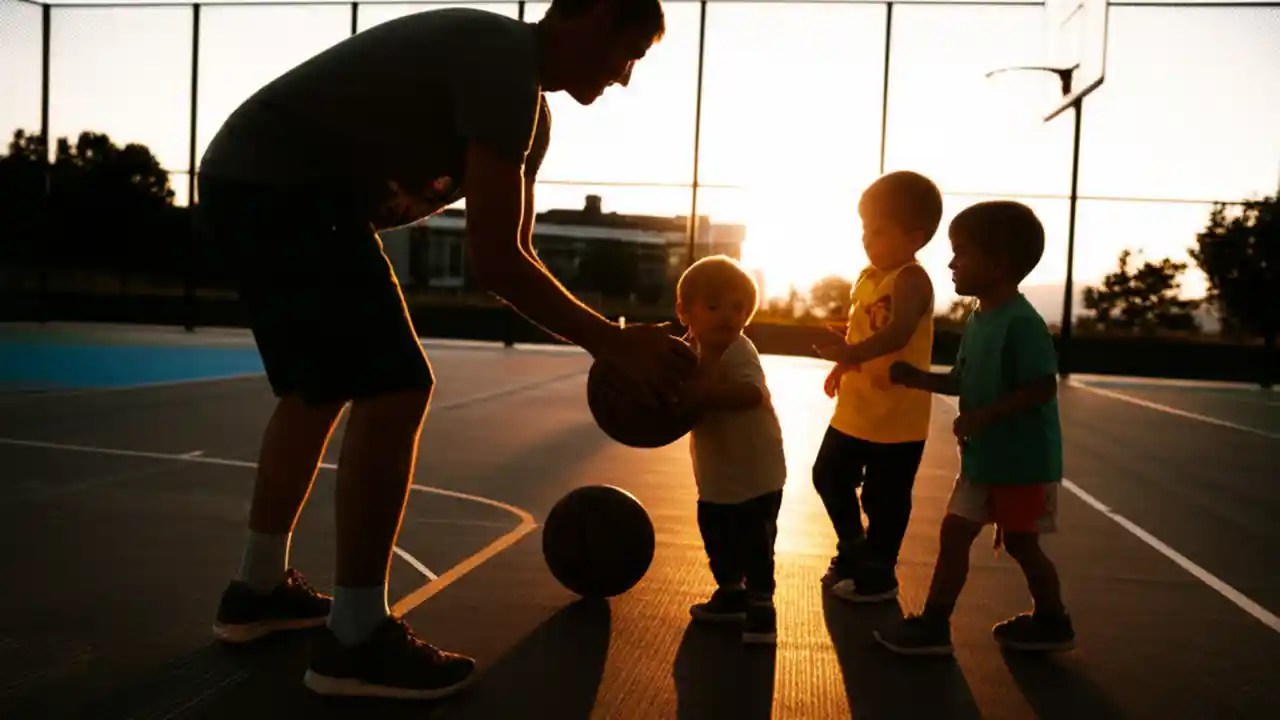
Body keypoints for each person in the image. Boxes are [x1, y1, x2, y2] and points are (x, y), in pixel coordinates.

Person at [196, 0, 690, 701]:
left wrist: (608, 341)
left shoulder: (527, 110)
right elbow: (492, 263)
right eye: (629, 52)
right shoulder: (501, 62)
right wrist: (612, 343)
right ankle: (356, 639)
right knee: (395, 386)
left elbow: (511, 251)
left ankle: (258, 588)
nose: (627, 77)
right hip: (283, 189)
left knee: (318, 388)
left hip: (260, 186)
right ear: (592, 16)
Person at [875, 200, 1074, 656]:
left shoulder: (1023, 323)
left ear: (998, 263)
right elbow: (964, 380)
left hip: (1022, 463)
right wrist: (916, 377)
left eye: (961, 252)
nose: (951, 262)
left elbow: (1041, 387)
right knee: (954, 533)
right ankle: (934, 624)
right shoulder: (979, 318)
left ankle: (1053, 620)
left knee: (1024, 545)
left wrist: (984, 417)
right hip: (984, 460)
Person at [812, 171, 942, 603]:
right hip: (856, 408)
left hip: (897, 419)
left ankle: (880, 573)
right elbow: (860, 332)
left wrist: (850, 355)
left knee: (884, 500)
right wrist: (843, 364)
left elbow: (900, 332)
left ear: (915, 237)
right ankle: (853, 548)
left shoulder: (911, 279)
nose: (867, 238)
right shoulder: (867, 277)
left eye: (879, 230)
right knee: (828, 475)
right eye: (865, 229)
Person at [675, 256, 787, 645]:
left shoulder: (739, 350)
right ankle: (731, 593)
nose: (727, 316)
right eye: (713, 305)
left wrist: (704, 393)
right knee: (716, 534)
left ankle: (761, 607)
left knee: (755, 542)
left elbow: (751, 394)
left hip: (757, 471)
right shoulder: (686, 352)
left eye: (738, 308)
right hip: (717, 473)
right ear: (684, 311)